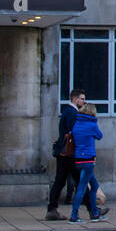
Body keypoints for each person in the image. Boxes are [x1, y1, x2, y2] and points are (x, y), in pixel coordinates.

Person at [46, 88, 86, 220]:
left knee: (62, 181)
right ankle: (93, 209)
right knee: (79, 180)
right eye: (82, 98)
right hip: (68, 154)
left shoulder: (67, 111)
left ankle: (52, 209)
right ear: (75, 99)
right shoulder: (73, 113)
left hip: (64, 153)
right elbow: (74, 133)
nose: (83, 101)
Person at [68, 102, 105, 223]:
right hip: (88, 160)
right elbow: (100, 136)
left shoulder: (77, 123)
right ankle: (74, 215)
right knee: (82, 188)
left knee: (93, 186)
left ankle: (95, 213)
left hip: (78, 159)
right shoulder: (92, 124)